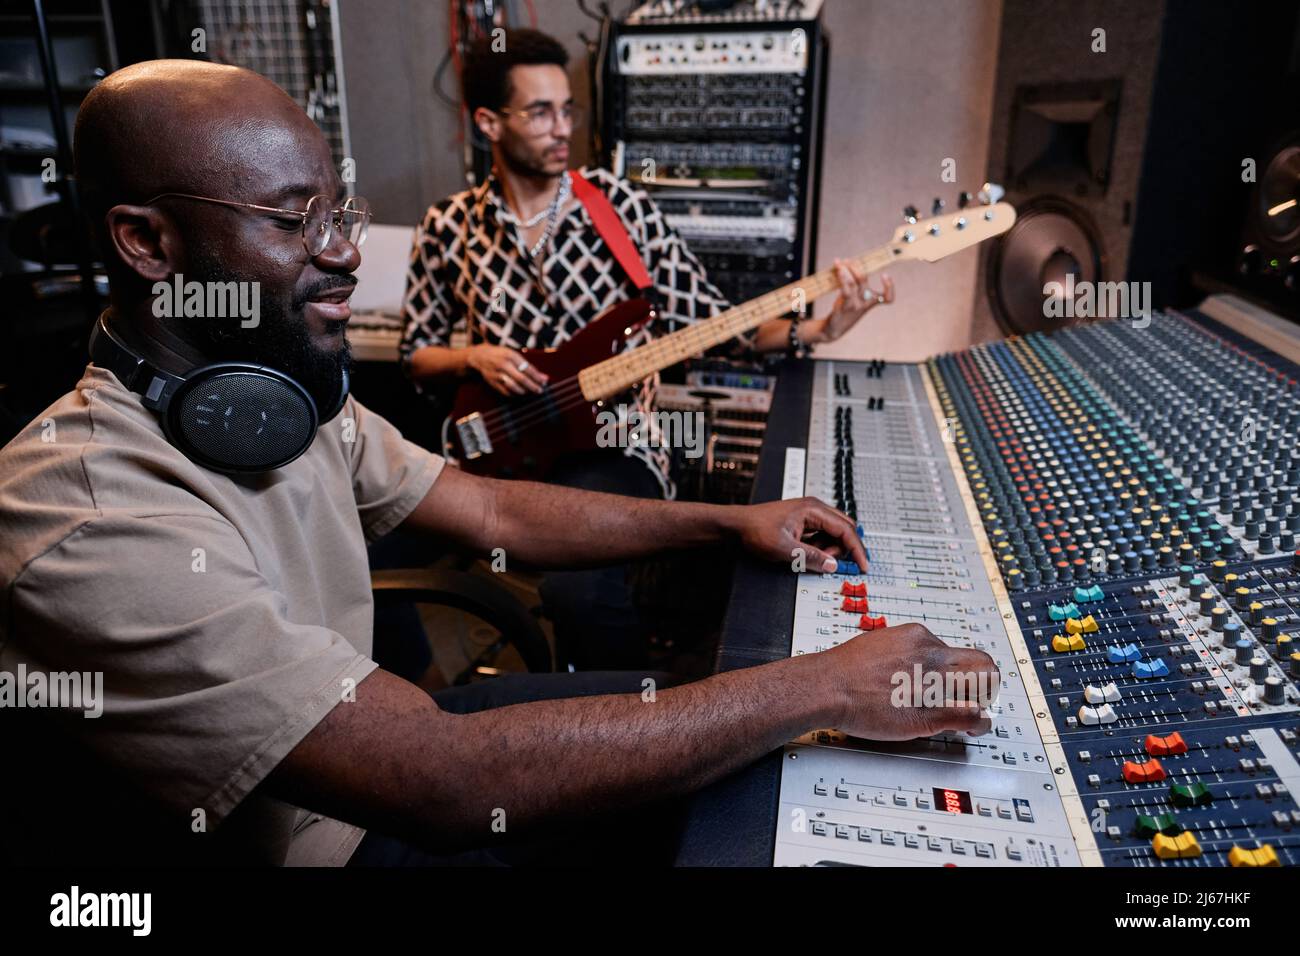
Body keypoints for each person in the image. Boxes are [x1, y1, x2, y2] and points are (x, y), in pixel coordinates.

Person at [0, 60, 995, 867]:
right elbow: (446, 781)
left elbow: (489, 512)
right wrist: (826, 686)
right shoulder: (78, 515)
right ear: (147, 242)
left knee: (735, 756)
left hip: (393, 744)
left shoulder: (284, 402)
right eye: (293, 219)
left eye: (336, 213)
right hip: (339, 826)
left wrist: (723, 520)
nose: (343, 253)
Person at [403, 28, 896, 668]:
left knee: (578, 590)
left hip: (613, 442)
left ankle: (625, 730)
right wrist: (472, 357)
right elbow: (416, 353)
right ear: (489, 123)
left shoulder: (622, 208)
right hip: (498, 449)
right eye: (541, 111)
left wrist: (823, 327)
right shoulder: (447, 226)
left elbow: (732, 330)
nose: (562, 128)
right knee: (368, 540)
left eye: (568, 109)